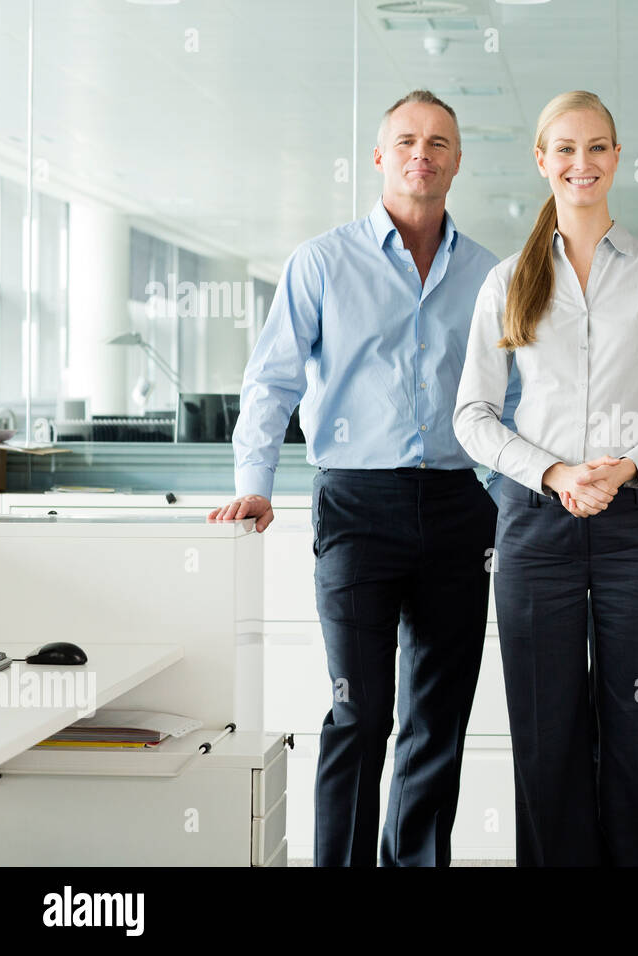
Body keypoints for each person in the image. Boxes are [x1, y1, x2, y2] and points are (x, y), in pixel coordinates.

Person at [210, 90, 518, 867]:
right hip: (356, 504)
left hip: (459, 506)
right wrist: (255, 479)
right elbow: (271, 382)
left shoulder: (488, 274)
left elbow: (510, 398)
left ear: (457, 161)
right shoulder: (322, 262)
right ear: (380, 157)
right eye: (407, 140)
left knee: (437, 717)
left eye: (439, 142)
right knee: (361, 711)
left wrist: (510, 490)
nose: (423, 153)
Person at [453, 90, 638, 866]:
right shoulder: (507, 280)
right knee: (547, 737)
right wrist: (555, 473)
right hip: (536, 524)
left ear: (617, 157)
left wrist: (630, 465)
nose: (582, 162)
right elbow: (472, 416)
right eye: (565, 149)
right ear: (542, 160)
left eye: (597, 146)